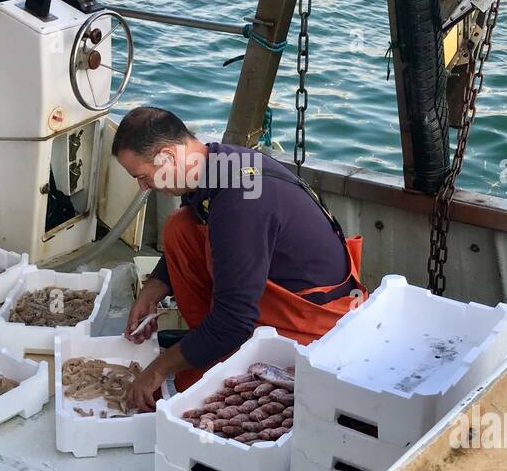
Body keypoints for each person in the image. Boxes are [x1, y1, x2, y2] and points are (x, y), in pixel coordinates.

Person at [112, 107, 366, 410]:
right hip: (267, 296)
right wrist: (154, 288)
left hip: (318, 323)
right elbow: (192, 233)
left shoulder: (240, 203)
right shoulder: (215, 163)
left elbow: (233, 322)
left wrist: (157, 370)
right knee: (180, 227)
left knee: (199, 399)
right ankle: (207, 345)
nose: (143, 187)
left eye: (142, 176)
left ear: (167, 156)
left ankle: (215, 351)